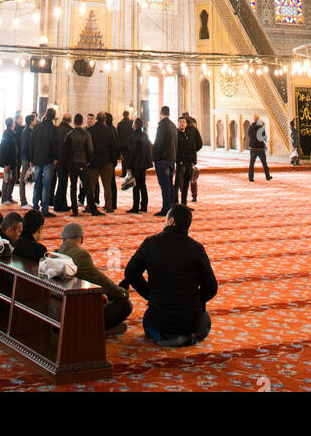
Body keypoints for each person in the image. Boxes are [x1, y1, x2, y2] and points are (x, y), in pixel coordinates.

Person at [123, 204, 218, 347]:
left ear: (171, 221)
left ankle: (166, 336)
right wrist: (198, 300)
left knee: (149, 321)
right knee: (204, 320)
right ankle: (188, 336)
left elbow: (130, 272)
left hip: (160, 316)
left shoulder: (151, 243)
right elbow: (211, 288)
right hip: (189, 317)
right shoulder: (196, 248)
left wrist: (149, 294)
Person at [58, 223, 132, 335]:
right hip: (76, 312)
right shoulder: (80, 255)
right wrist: (122, 292)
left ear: (63, 239)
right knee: (125, 305)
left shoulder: (57, 253)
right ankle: (97, 330)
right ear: (82, 239)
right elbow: (100, 281)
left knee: (110, 293)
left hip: (62, 307)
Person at [63, 112, 96, 216]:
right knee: (87, 186)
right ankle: (93, 209)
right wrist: (89, 161)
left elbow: (65, 151)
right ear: (82, 122)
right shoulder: (86, 134)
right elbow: (90, 150)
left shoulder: (69, 134)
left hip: (72, 164)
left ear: (74, 122)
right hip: (82, 163)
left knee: (73, 186)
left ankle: (74, 210)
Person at [89, 108, 119, 214]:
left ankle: (90, 206)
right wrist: (114, 161)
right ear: (105, 120)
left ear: (96, 119)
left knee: (91, 186)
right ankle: (109, 206)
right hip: (107, 162)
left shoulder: (90, 131)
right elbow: (114, 147)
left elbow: (89, 147)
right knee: (107, 186)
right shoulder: (109, 131)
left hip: (94, 162)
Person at [30, 107, 58, 217]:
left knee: (37, 184)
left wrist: (31, 159)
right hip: (48, 160)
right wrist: (55, 158)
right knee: (46, 185)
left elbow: (32, 144)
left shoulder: (37, 127)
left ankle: (35, 206)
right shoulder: (53, 129)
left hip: (37, 159)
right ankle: (45, 209)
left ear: (45, 114)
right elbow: (55, 145)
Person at [153, 105, 178, 215]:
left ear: (160, 113)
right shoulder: (173, 125)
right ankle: (172, 207)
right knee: (169, 184)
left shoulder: (162, 125)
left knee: (165, 186)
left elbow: (159, 143)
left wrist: (155, 158)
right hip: (171, 159)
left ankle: (166, 209)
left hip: (163, 160)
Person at [126, 117, 153, 213]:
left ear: (136, 125)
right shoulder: (145, 135)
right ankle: (144, 206)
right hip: (143, 164)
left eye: (133, 123)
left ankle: (136, 207)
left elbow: (132, 152)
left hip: (136, 165)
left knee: (136, 186)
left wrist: (128, 166)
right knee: (143, 185)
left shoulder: (134, 136)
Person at [52, 111, 73, 213]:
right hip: (65, 161)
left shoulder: (56, 129)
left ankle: (61, 203)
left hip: (57, 160)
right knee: (62, 183)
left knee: (61, 182)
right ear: (70, 121)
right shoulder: (70, 131)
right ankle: (59, 205)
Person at [175, 116, 197, 206]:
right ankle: (175, 203)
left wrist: (193, 162)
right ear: (178, 124)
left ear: (186, 124)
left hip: (188, 163)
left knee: (185, 185)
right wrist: (178, 160)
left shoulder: (189, 135)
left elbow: (193, 148)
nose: (182, 123)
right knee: (177, 184)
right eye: (180, 122)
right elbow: (174, 149)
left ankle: (184, 204)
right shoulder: (176, 135)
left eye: (183, 122)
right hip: (180, 164)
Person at [0, 117, 19, 205]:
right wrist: (6, 164)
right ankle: (4, 198)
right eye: (14, 122)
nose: (15, 123)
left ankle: (9, 197)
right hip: (9, 162)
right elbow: (6, 149)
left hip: (12, 161)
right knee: (7, 180)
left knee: (13, 179)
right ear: (11, 124)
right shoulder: (7, 134)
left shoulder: (11, 133)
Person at [18, 112, 36, 208]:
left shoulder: (30, 131)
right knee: (23, 179)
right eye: (34, 120)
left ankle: (24, 201)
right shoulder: (26, 132)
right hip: (26, 158)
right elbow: (25, 147)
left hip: (28, 158)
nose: (35, 121)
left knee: (25, 178)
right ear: (31, 122)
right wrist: (29, 159)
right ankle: (23, 201)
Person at [247, 115, 272, 182]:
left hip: (252, 148)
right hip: (260, 148)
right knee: (264, 163)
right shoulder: (261, 128)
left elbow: (249, 136)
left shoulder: (250, 127)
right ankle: (267, 176)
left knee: (251, 164)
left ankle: (250, 177)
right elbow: (265, 138)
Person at [184, 114, 202, 202]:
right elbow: (200, 144)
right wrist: (194, 150)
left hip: (185, 158)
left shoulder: (185, 130)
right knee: (192, 177)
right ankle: (194, 195)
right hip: (191, 157)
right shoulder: (194, 130)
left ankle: (184, 197)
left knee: (185, 177)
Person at [105, 113, 118, 210]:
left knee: (110, 183)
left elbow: (114, 146)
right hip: (112, 159)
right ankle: (113, 203)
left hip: (109, 159)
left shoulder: (109, 130)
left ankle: (112, 203)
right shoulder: (113, 129)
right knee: (111, 182)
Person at [116, 109, 133, 175]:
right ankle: (130, 172)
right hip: (130, 143)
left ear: (123, 115)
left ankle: (124, 173)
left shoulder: (120, 124)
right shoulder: (131, 122)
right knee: (129, 158)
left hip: (122, 144)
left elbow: (118, 135)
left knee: (123, 159)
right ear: (128, 115)